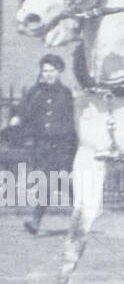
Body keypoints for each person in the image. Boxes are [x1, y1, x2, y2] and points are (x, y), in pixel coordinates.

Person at [4, 55, 77, 235]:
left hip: (63, 144)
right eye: (45, 70)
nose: (48, 74)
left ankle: (76, 217)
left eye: (52, 70)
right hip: (42, 144)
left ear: (59, 72)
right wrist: (17, 118)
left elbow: (72, 119)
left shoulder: (66, 93)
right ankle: (38, 221)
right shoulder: (35, 92)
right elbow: (23, 109)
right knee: (47, 181)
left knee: (63, 180)